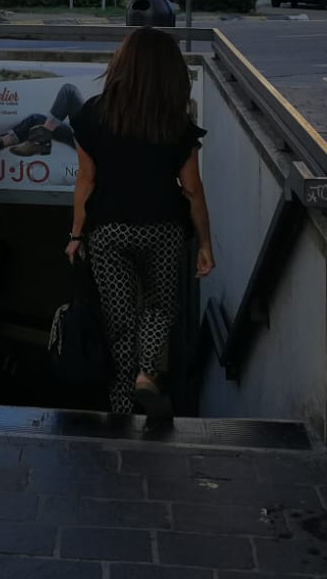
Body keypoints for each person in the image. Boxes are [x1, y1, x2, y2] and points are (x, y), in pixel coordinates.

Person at [64, 27, 214, 419]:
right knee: (160, 307)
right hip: (163, 227)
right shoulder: (175, 123)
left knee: (119, 320)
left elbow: (86, 181)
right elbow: (193, 188)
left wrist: (76, 234)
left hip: (108, 231)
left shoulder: (91, 115)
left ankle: (120, 408)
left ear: (122, 64)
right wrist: (205, 245)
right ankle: (147, 375)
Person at [0, 82, 85, 157]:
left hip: (95, 141)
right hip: (93, 133)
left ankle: (41, 142)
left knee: (69, 91)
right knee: (36, 119)